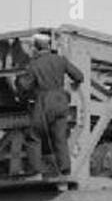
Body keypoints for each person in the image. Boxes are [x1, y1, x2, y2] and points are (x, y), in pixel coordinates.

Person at [22, 31, 84, 179]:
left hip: (44, 101)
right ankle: (65, 169)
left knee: (34, 135)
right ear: (49, 46)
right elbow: (79, 76)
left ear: (36, 48)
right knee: (59, 136)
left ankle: (37, 170)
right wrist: (75, 85)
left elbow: (24, 86)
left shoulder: (34, 65)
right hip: (61, 101)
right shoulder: (60, 60)